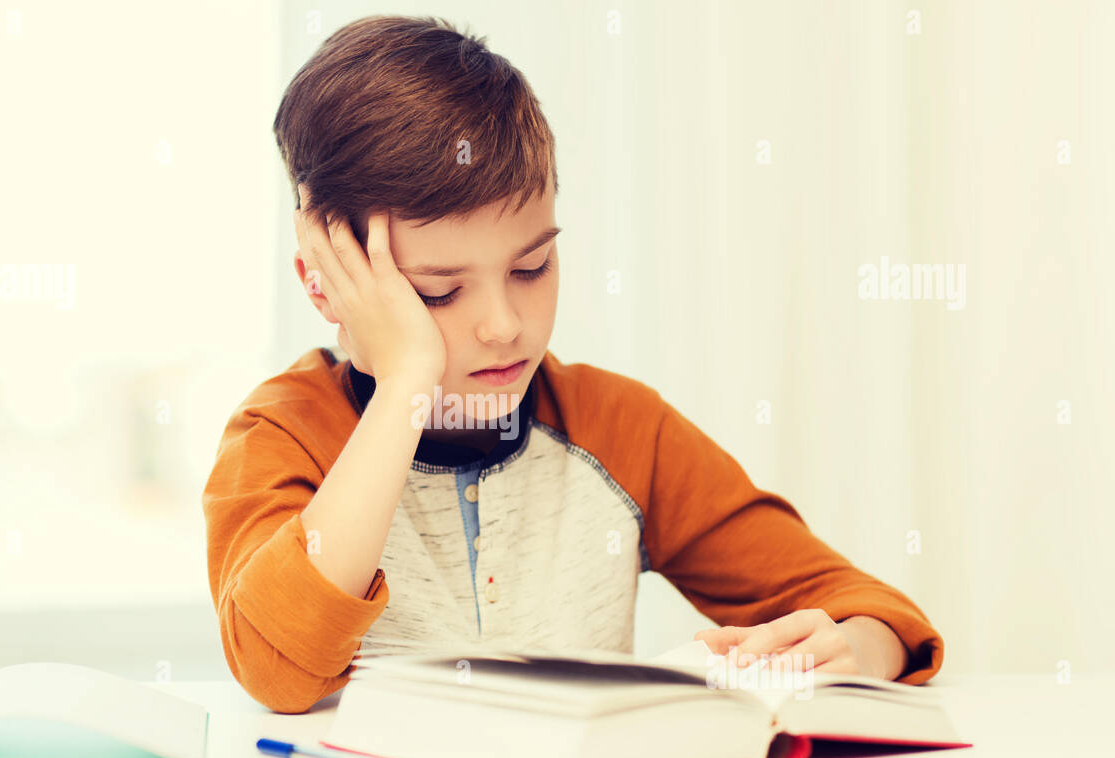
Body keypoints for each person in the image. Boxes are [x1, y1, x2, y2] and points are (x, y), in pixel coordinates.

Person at [202, 14, 943, 713]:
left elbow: (876, 612)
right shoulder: (282, 435)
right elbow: (277, 670)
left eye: (532, 267)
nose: (504, 326)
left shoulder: (619, 429)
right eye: (439, 291)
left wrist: (855, 650)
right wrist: (406, 383)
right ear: (324, 282)